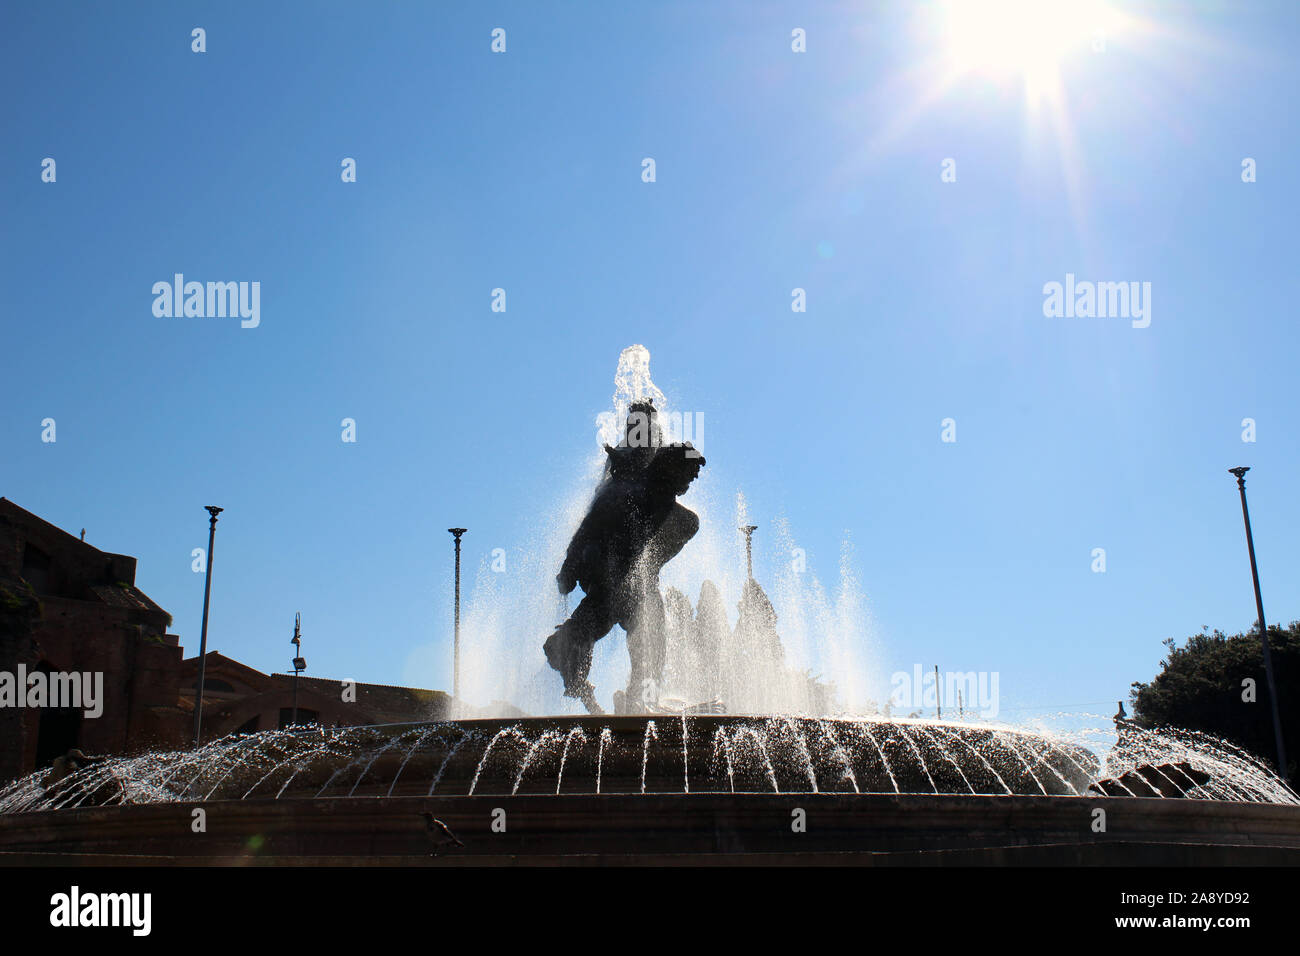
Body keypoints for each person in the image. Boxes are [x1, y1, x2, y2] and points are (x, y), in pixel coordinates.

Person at [544, 401, 704, 714]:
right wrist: (570, 567)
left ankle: (640, 701)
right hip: (608, 575)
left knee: (653, 633)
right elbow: (588, 527)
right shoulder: (623, 492)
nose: (687, 484)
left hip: (635, 581)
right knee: (586, 630)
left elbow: (662, 546)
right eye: (685, 477)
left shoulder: (675, 512)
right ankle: (578, 675)